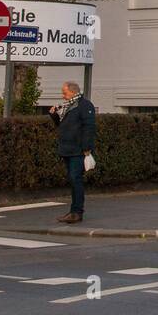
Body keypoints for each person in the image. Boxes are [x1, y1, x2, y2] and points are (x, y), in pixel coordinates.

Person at [50, 81, 96, 224]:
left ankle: (76, 212)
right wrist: (54, 115)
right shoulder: (67, 106)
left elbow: (89, 127)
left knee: (75, 179)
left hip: (78, 150)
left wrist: (87, 148)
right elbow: (62, 125)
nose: (63, 96)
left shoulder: (84, 105)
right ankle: (74, 211)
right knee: (73, 179)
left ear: (73, 92)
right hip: (68, 149)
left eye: (65, 93)